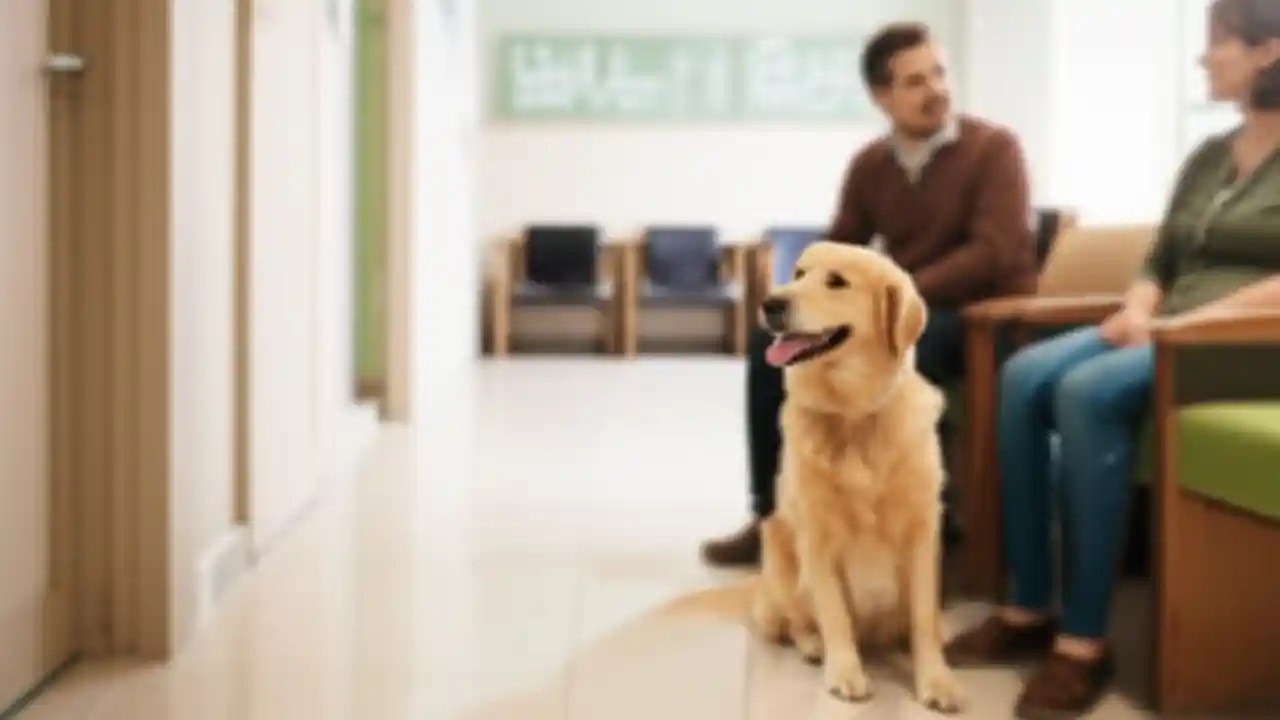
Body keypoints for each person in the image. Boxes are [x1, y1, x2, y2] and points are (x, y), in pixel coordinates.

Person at [944, 1, 1280, 717]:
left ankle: (1084, 644)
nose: (1204, 58)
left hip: (1246, 345)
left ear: (1267, 53)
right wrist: (1138, 308)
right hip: (1172, 324)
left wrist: (1187, 322)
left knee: (1089, 392)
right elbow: (1162, 256)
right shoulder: (1210, 155)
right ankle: (1030, 605)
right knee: (1022, 374)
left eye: (1217, 44)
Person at [701, 22, 1037, 565]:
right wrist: (800, 301)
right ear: (882, 97)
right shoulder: (871, 165)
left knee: (864, 360)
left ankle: (888, 524)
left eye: (939, 74)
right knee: (773, 356)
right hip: (897, 313)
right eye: (914, 81)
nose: (936, 90)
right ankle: (775, 520)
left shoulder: (994, 150)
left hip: (978, 318)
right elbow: (840, 245)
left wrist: (894, 295)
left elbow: (993, 252)